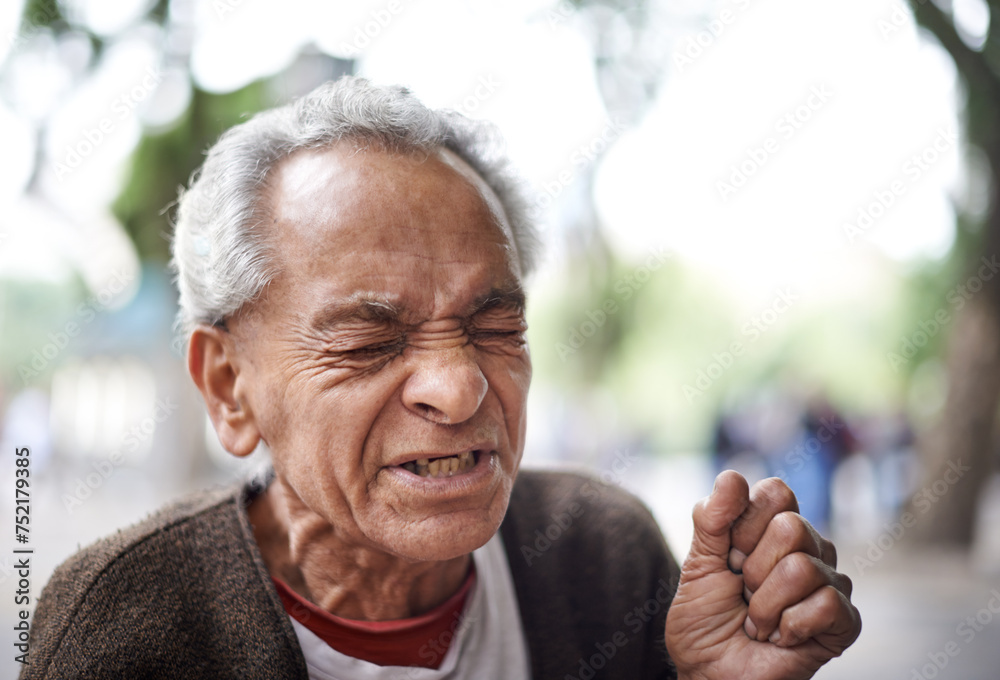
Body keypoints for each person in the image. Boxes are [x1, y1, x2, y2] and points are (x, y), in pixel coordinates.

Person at [22, 77, 860, 680]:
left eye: (495, 327)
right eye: (369, 342)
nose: (460, 389)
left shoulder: (601, 556)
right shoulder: (126, 622)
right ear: (230, 388)